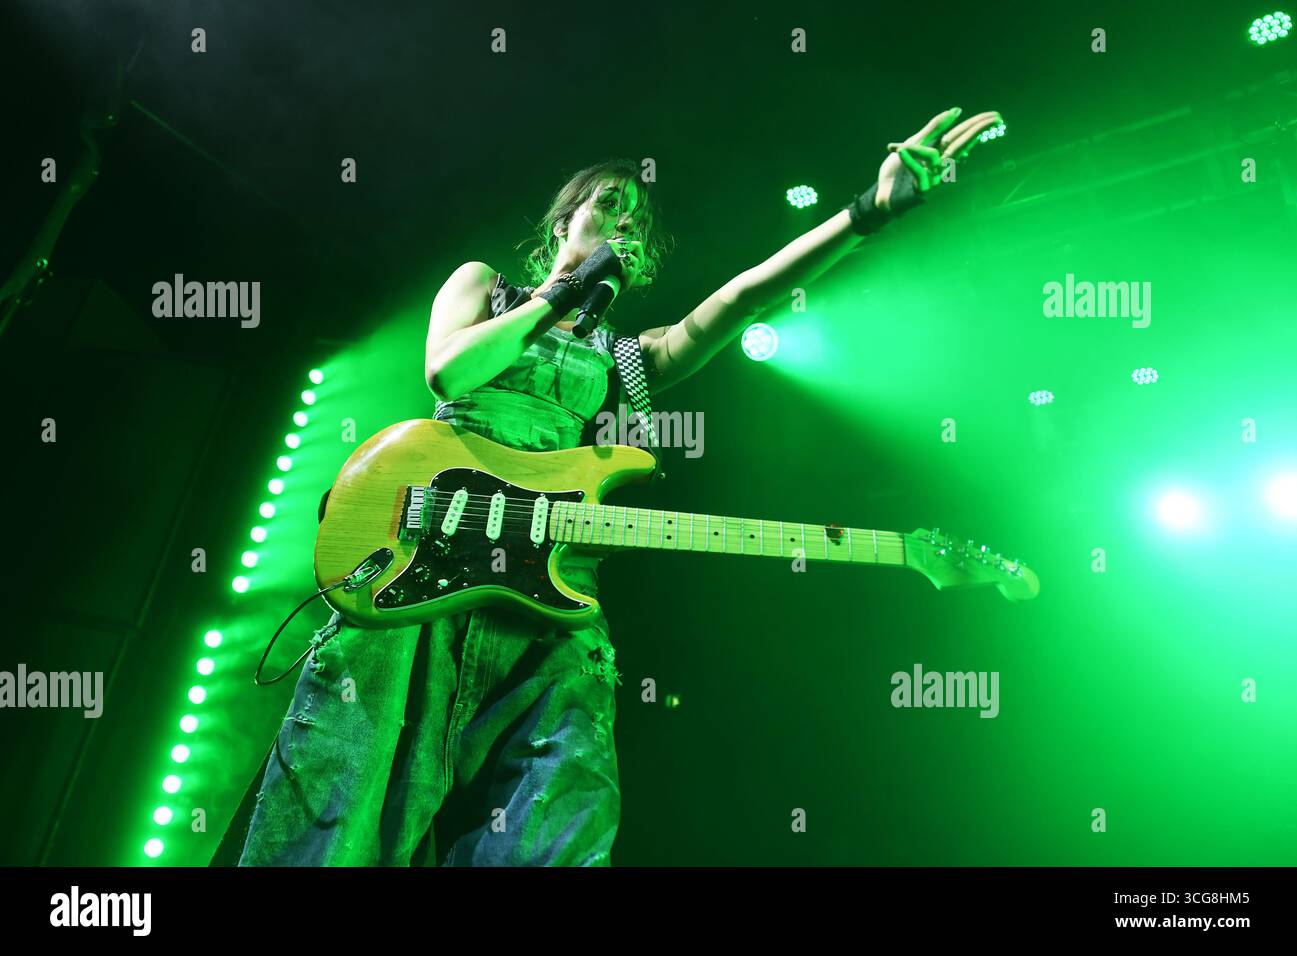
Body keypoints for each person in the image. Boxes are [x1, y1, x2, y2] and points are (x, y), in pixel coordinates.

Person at [223, 106, 1002, 866]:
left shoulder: (630, 359)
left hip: (547, 593)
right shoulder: (483, 285)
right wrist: (561, 293)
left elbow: (745, 296)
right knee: (340, 800)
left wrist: (866, 212)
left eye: (635, 217)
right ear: (565, 221)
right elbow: (450, 370)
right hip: (416, 558)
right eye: (607, 205)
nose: (622, 222)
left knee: (564, 814)